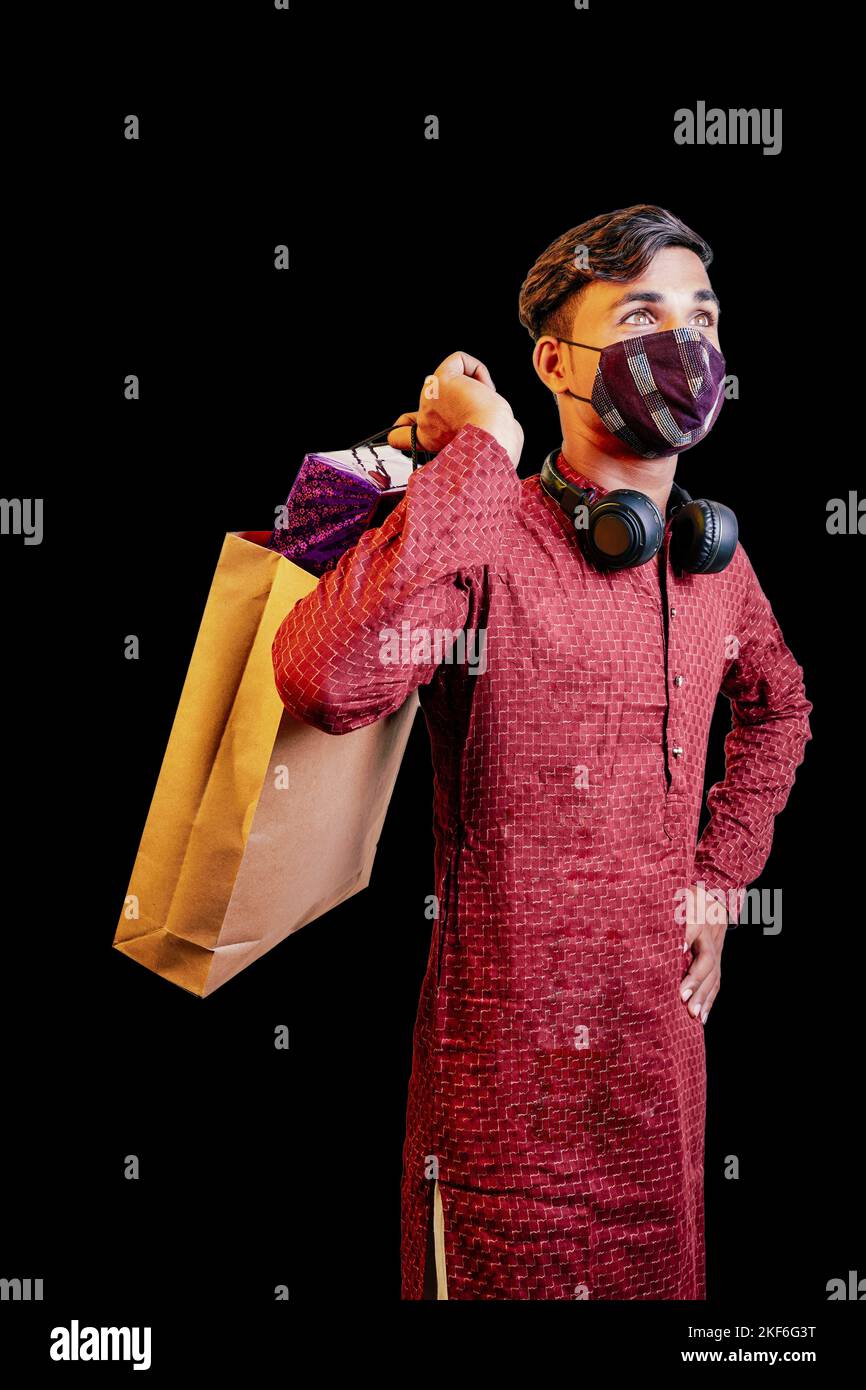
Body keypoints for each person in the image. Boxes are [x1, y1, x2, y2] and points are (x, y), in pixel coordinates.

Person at [271, 204, 813, 1300]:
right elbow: (327, 678)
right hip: (497, 1094)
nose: (686, 344)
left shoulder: (714, 564)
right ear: (555, 361)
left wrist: (717, 879)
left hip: (654, 1085)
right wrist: (483, 451)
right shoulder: (481, 533)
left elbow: (780, 705)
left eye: (701, 318)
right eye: (643, 315)